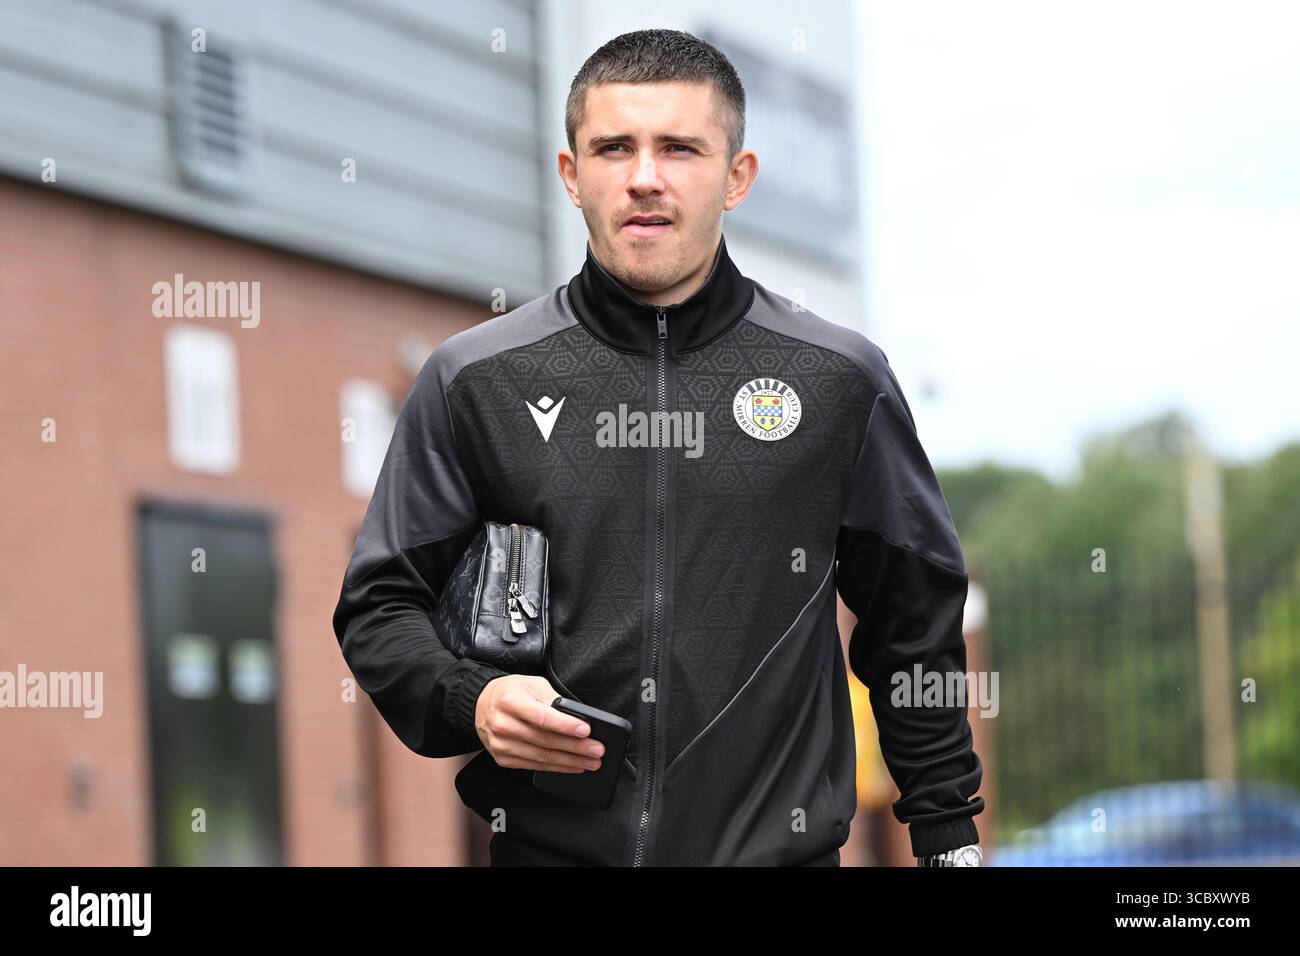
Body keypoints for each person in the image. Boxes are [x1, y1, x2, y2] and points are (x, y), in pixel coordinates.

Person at [331, 28, 984, 867]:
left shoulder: (838, 381)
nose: (644, 177)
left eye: (680, 147)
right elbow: (378, 607)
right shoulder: (473, 381)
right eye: (614, 148)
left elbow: (913, 625)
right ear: (571, 175)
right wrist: (474, 697)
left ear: (736, 177)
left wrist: (947, 835)